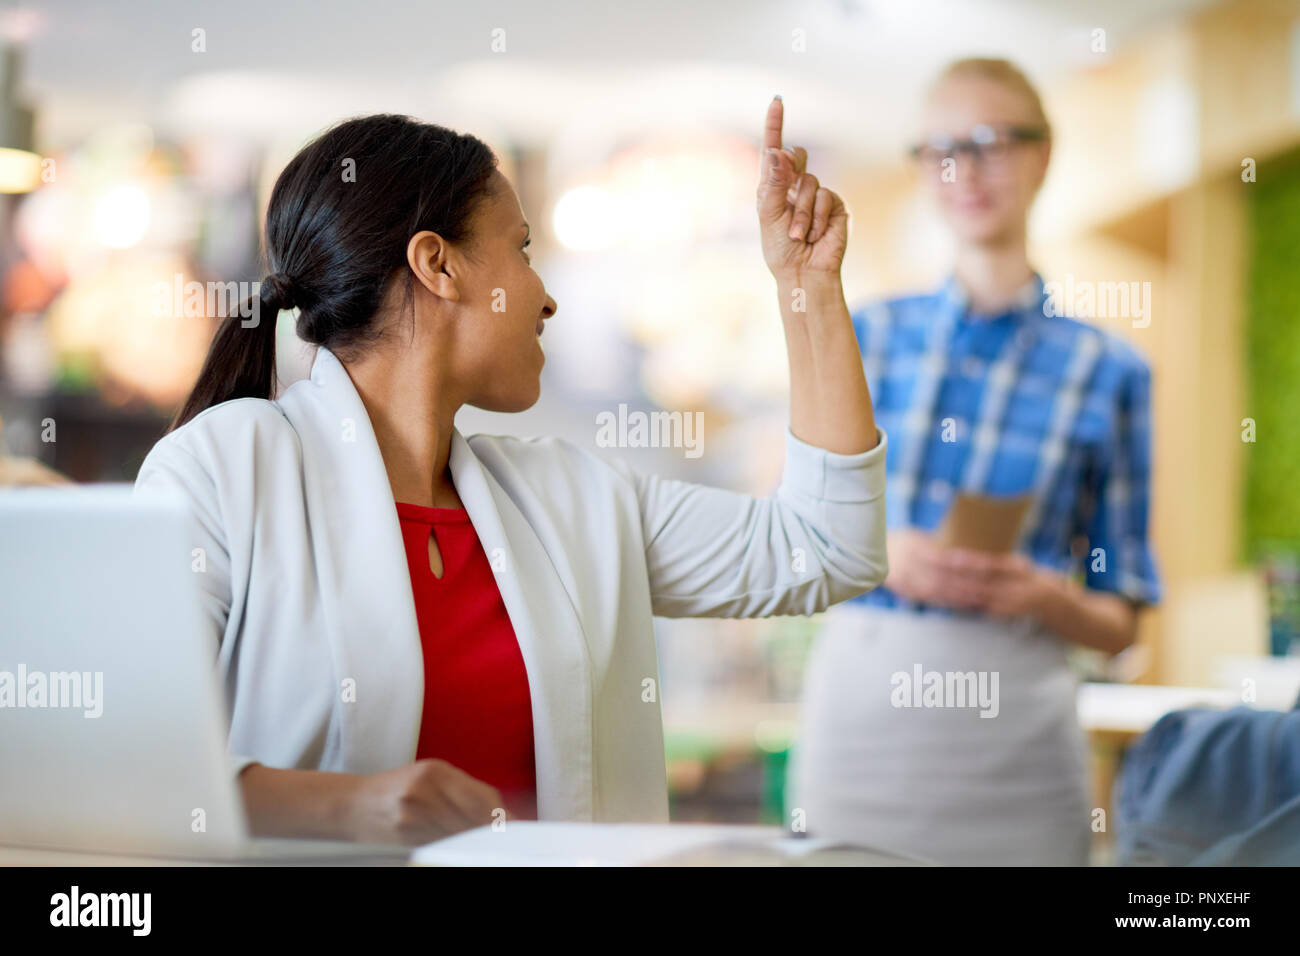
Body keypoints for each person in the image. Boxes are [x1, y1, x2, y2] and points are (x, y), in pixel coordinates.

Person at [134, 102, 889, 844]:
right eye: (523, 250)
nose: (547, 295)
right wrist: (349, 807)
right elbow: (118, 745)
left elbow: (826, 543)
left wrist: (808, 285)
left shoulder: (571, 500)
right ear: (438, 264)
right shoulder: (226, 469)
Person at [788, 58, 1161, 865]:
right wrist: (878, 554)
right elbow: (794, 534)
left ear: (1043, 157)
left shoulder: (1112, 371)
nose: (966, 170)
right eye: (940, 149)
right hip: (862, 731)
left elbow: (1122, 619)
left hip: (1020, 746)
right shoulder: (866, 336)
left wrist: (1044, 596)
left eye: (990, 142)